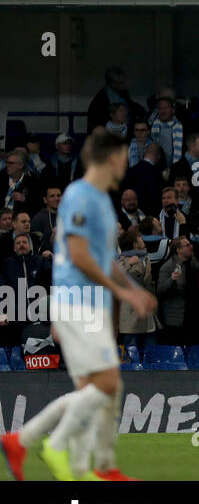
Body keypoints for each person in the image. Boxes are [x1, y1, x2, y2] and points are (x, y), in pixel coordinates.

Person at [2, 132, 157, 481]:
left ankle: (51, 451)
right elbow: (78, 254)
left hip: (92, 305)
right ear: (108, 158)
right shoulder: (78, 195)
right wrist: (128, 294)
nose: (126, 164)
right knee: (106, 387)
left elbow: (104, 259)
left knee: (100, 390)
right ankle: (61, 450)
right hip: (78, 304)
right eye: (122, 157)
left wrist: (128, 287)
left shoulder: (102, 201)